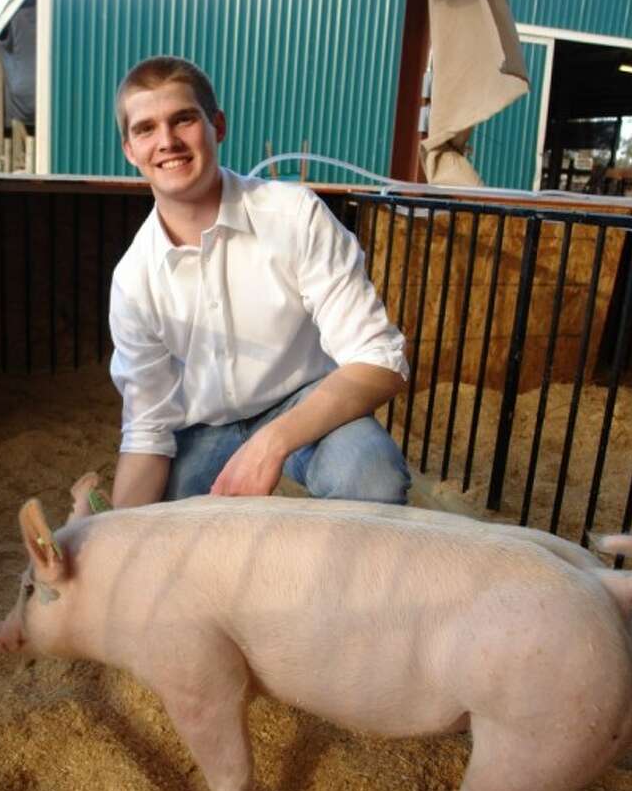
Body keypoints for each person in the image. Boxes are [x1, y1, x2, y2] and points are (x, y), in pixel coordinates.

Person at [109, 55, 411, 509]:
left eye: (184, 119)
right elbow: (147, 430)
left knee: (373, 479)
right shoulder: (134, 280)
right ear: (130, 150)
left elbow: (380, 361)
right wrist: (118, 541)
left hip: (303, 397)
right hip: (204, 425)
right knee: (163, 527)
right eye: (146, 129)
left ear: (218, 126)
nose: (167, 141)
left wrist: (271, 442)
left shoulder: (294, 215)